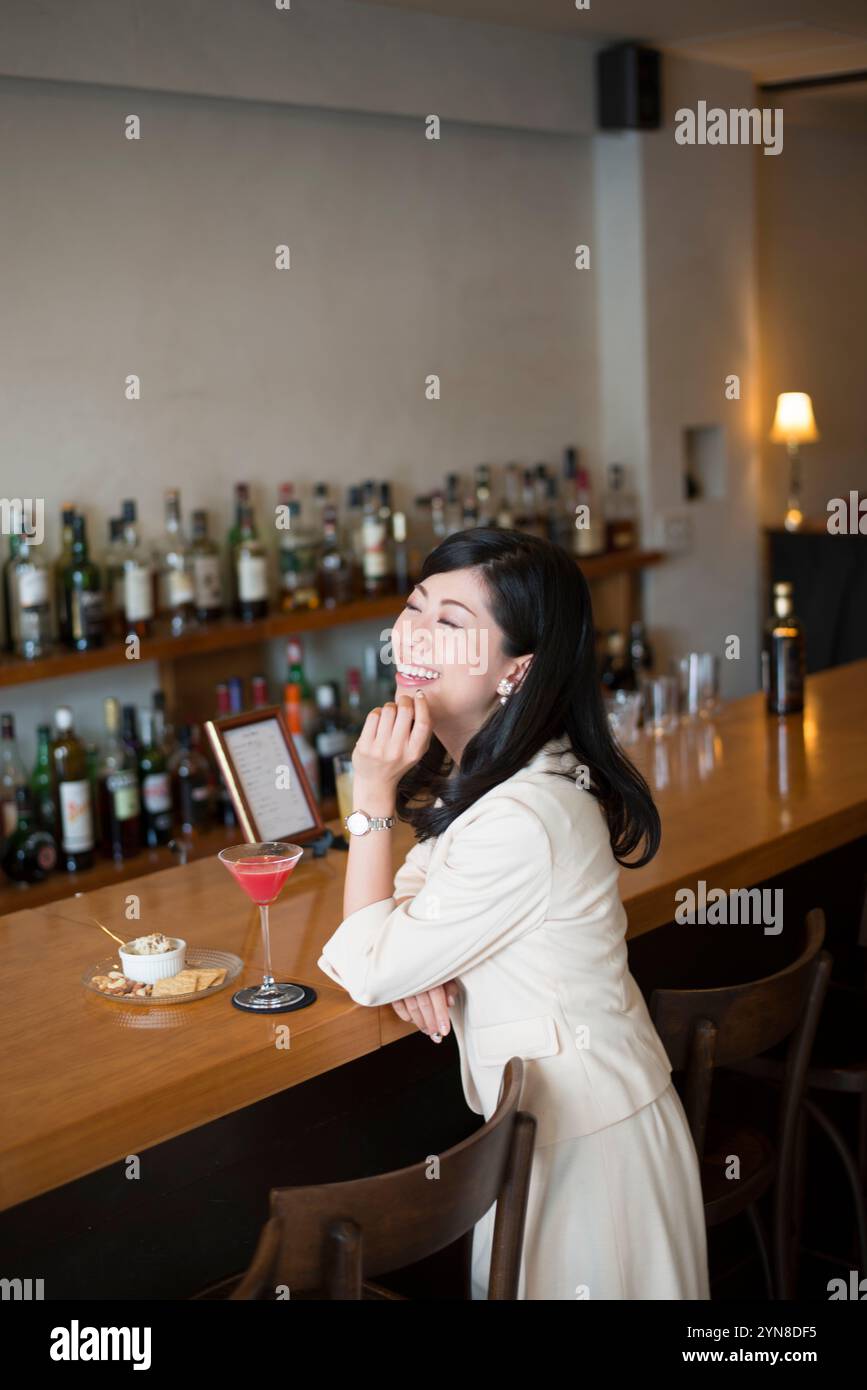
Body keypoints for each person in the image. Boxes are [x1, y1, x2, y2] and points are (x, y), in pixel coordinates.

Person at [317, 527, 710, 1300]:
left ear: (517, 668)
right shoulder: (503, 774)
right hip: (558, 1135)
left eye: (451, 622)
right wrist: (412, 955)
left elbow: (366, 963)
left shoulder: (520, 815)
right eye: (413, 606)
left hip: (591, 1158)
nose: (411, 634)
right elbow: (410, 894)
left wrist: (369, 800)